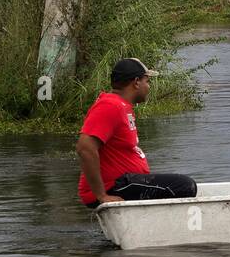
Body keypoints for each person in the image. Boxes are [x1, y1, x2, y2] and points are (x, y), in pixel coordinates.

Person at [76, 58, 197, 207]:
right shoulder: (110, 106)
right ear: (136, 82)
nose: (148, 86)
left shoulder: (121, 106)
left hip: (122, 183)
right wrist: (101, 195)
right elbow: (85, 148)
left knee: (178, 184)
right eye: (147, 81)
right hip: (114, 186)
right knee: (184, 185)